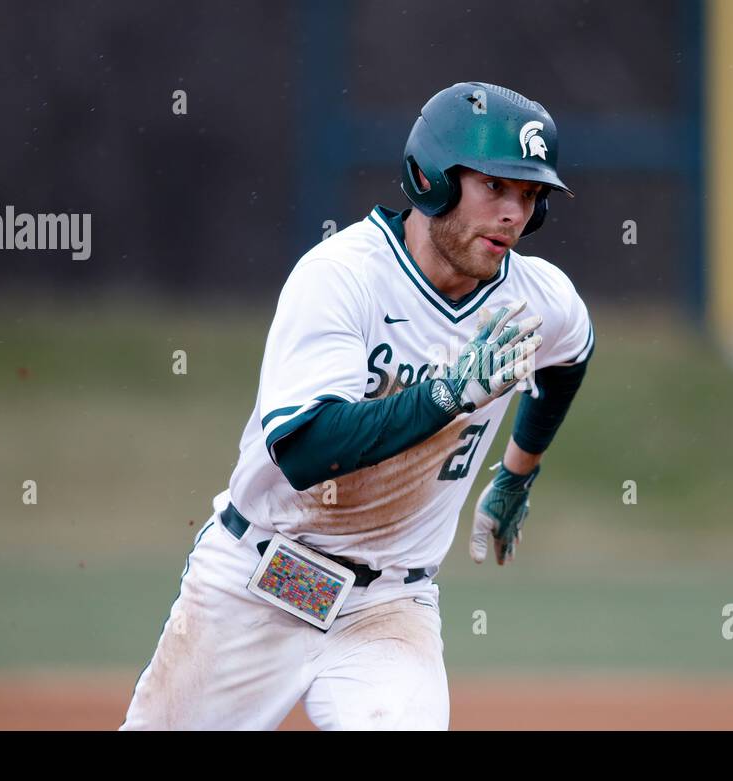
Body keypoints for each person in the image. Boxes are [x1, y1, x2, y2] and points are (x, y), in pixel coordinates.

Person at [121, 81, 594, 730]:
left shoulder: (536, 299)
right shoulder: (343, 277)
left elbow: (571, 354)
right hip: (263, 580)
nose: (515, 211)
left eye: (530, 194)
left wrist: (518, 470)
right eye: (495, 186)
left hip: (391, 608)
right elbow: (307, 448)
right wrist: (445, 395)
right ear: (431, 179)